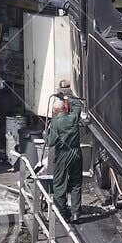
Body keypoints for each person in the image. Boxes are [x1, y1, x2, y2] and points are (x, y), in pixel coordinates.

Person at [45, 87, 83, 220]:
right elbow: (78, 105)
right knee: (76, 183)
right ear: (65, 109)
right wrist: (66, 97)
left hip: (62, 156)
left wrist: (45, 135)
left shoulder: (55, 123)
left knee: (59, 184)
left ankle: (62, 213)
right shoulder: (73, 117)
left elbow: (50, 142)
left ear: (55, 111)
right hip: (76, 153)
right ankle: (76, 213)